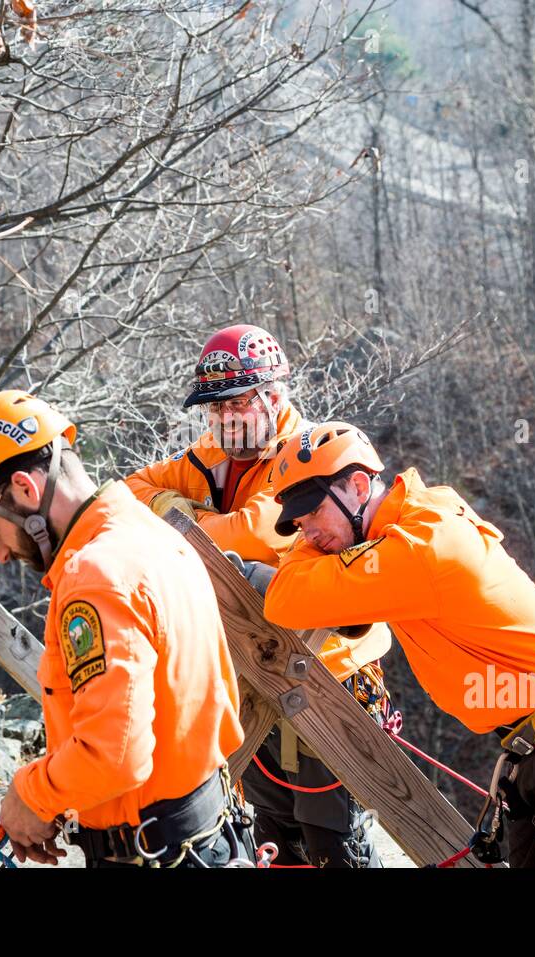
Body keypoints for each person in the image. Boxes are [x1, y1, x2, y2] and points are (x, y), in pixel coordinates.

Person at [263, 421, 535, 868]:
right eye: (299, 524)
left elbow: (287, 597)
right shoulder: (414, 524)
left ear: (359, 486)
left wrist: (314, 556)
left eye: (313, 515)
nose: (308, 534)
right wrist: (322, 541)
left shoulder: (421, 545)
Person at [0, 389, 253, 867]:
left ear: (25, 488)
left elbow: (116, 752)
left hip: (156, 851)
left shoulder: (96, 577)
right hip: (206, 830)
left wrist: (31, 795)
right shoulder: (149, 533)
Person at [126, 325, 392, 867]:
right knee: (273, 837)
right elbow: (124, 494)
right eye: (214, 410)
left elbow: (255, 532)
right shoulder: (208, 457)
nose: (222, 421)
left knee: (337, 843)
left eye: (234, 407)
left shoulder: (309, 457)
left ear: (272, 397)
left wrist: (182, 518)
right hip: (253, 671)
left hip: (331, 672)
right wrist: (179, 511)